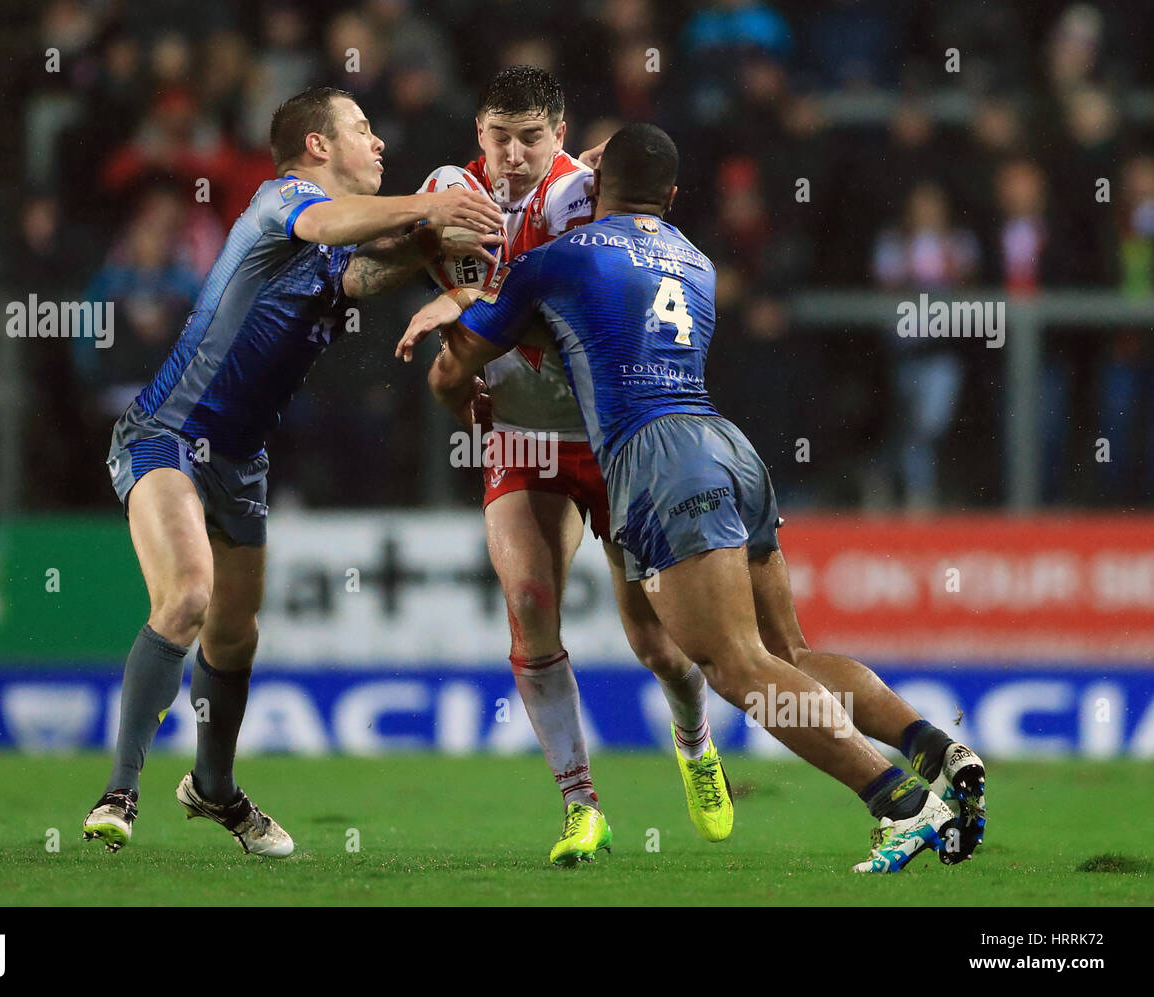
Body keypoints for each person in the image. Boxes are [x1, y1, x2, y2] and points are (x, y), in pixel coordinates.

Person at [400, 123, 987, 872]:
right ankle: (935, 747)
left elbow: (462, 366)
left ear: (592, 188)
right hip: (726, 446)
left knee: (736, 667)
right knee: (789, 652)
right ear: (672, 197)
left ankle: (898, 803)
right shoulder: (697, 261)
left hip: (656, 458)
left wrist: (456, 303)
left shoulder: (555, 260)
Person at [82, 85, 504, 855]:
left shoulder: (332, 245)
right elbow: (332, 222)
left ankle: (212, 789)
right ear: (317, 146)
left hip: (239, 460)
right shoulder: (283, 201)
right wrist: (428, 206)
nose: (378, 142)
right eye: (362, 129)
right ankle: (120, 790)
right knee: (188, 597)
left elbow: (360, 275)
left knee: (235, 638)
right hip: (167, 434)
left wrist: (438, 255)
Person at [417, 66, 730, 866]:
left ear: (560, 134)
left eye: (531, 138)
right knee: (528, 600)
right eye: (499, 136)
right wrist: (418, 243)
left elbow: (581, 285)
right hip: (523, 435)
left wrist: (459, 305)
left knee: (657, 642)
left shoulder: (586, 200)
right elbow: (401, 255)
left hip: (610, 432)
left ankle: (693, 740)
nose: (514, 155)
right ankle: (581, 806)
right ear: (478, 135)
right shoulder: (448, 191)